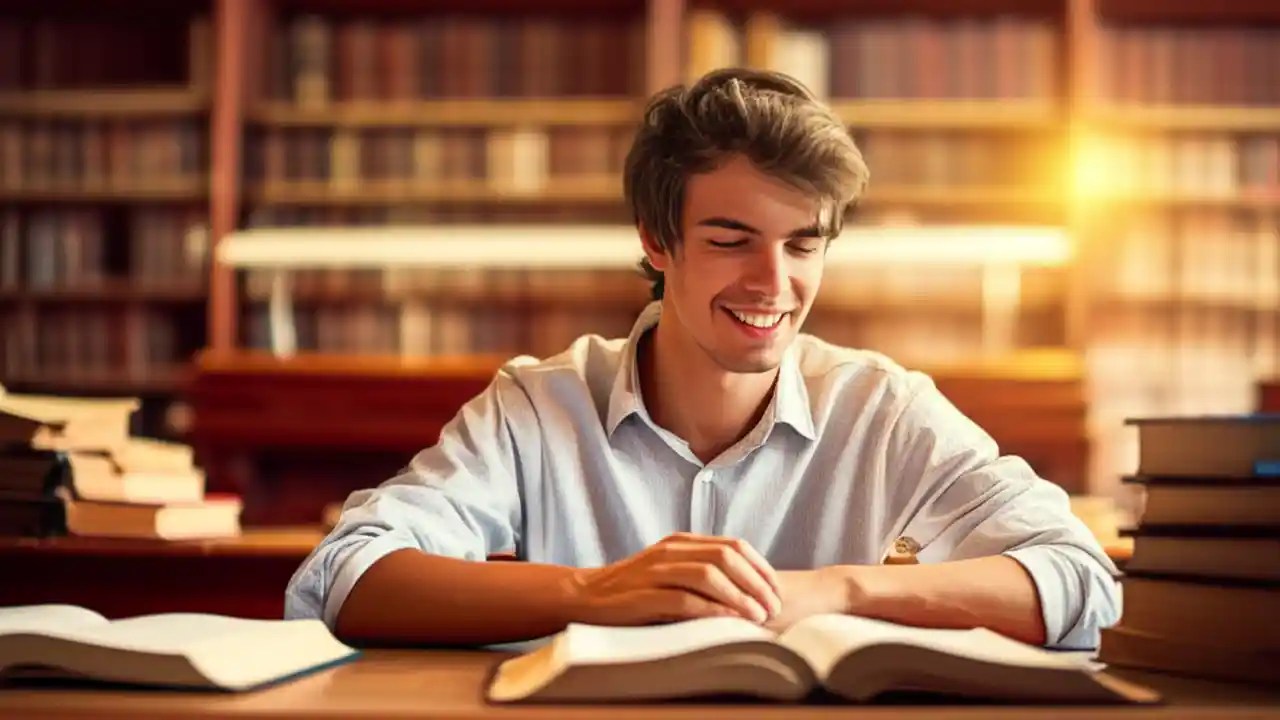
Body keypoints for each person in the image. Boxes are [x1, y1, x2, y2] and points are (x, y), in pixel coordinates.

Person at [284, 68, 1120, 649]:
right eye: (731, 240)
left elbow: (1082, 582)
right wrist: (594, 592)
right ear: (657, 239)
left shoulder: (882, 407)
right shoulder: (538, 407)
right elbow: (343, 578)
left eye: (803, 245)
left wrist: (837, 590)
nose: (775, 283)